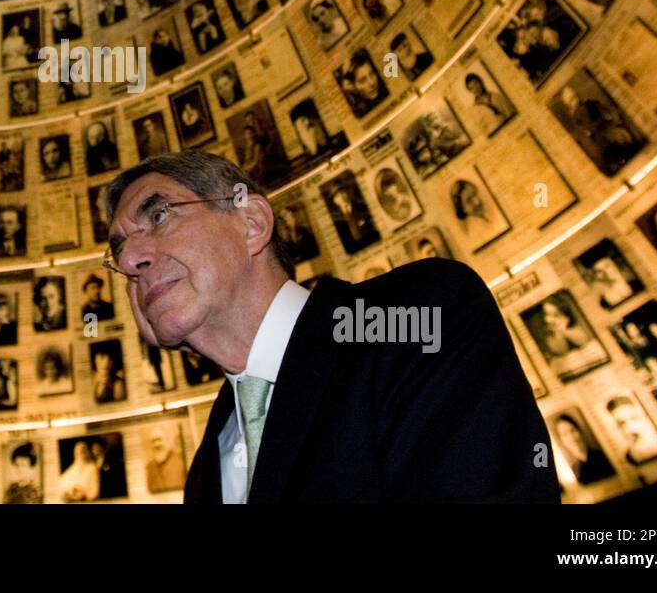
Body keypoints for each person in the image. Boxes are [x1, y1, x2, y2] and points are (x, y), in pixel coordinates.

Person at [100, 150, 558, 503]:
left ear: (252, 223)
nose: (128, 260)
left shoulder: (413, 319)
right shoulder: (206, 469)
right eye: (118, 249)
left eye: (158, 216)